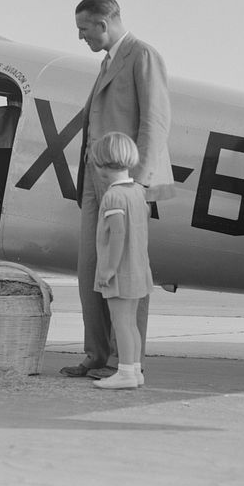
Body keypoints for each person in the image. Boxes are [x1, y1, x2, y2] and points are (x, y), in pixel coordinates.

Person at [61, 0, 175, 380]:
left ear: (103, 24)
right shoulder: (110, 60)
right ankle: (96, 354)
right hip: (96, 181)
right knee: (91, 268)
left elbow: (155, 123)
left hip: (124, 181)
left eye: (83, 29)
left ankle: (123, 362)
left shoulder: (142, 55)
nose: (80, 37)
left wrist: (138, 184)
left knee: (124, 272)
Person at [87, 133, 153, 389]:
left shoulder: (113, 197)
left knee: (121, 323)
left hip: (120, 272)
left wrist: (109, 269)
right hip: (138, 269)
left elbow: (118, 234)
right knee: (131, 323)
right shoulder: (138, 192)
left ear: (101, 164)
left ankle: (125, 373)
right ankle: (134, 370)